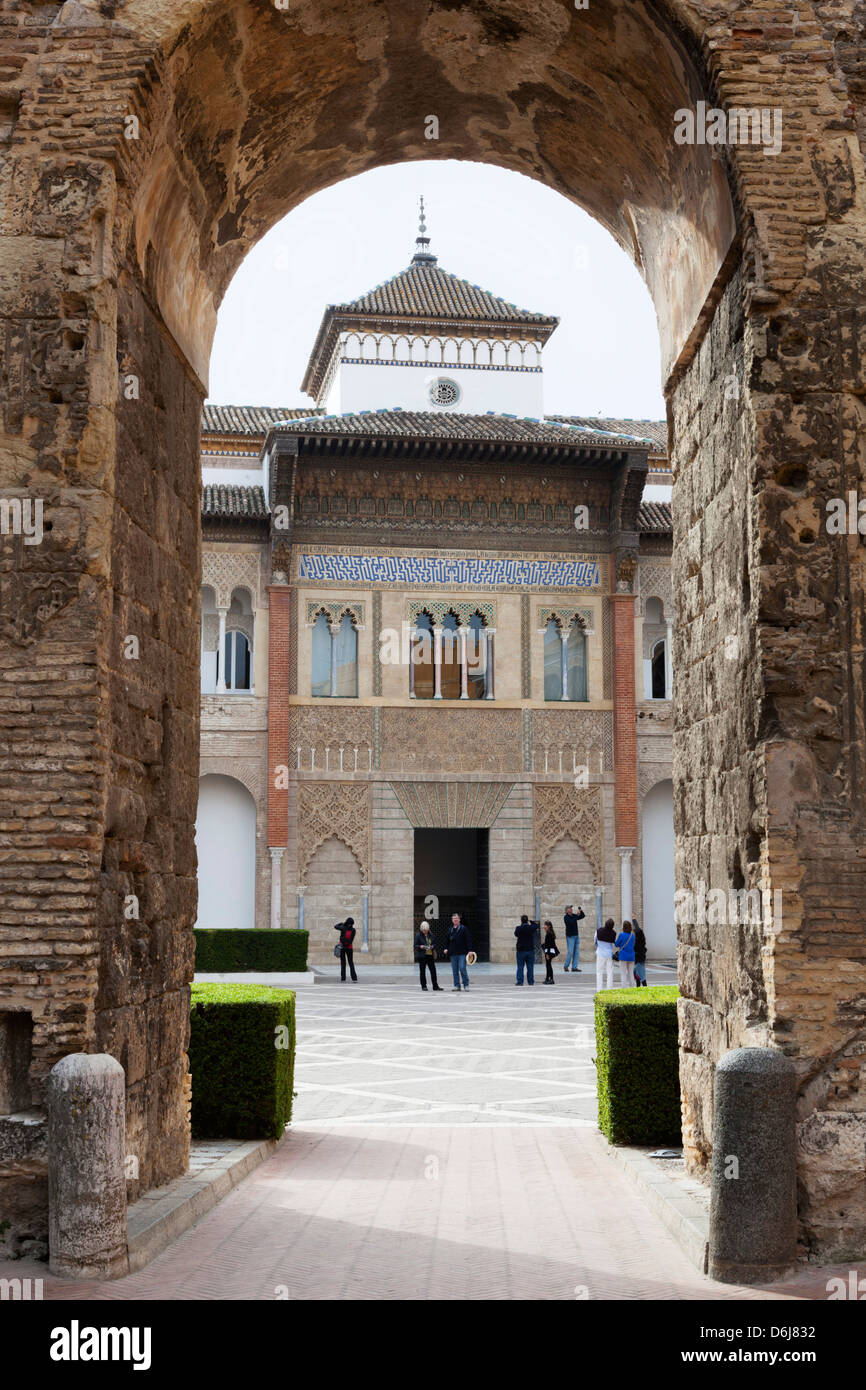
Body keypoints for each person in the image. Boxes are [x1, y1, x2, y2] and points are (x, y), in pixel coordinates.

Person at [444, 912, 472, 991]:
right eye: (454, 919)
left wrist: (470, 950)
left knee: (462, 968)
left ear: (459, 920)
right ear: (452, 920)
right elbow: (447, 940)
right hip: (453, 953)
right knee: (455, 970)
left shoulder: (464, 928)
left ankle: (466, 985)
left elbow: (468, 940)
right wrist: (446, 948)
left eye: (456, 919)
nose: (455, 920)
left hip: (462, 953)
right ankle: (457, 986)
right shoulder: (450, 929)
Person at [414, 921, 443, 992]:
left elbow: (435, 943)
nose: (425, 931)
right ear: (421, 929)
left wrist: (432, 946)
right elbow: (415, 945)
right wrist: (421, 946)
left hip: (430, 955)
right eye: (424, 930)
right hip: (422, 956)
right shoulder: (418, 935)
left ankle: (435, 986)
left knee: (433, 971)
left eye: (426, 930)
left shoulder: (431, 935)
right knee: (422, 971)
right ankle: (424, 986)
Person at [514, 914, 538, 986]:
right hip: (530, 950)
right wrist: (531, 921)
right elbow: (536, 926)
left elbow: (516, 934)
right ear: (527, 920)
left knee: (520, 967)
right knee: (530, 967)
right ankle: (530, 982)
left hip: (521, 951)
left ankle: (520, 981)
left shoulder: (518, 928)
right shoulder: (531, 928)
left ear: (521, 921)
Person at [595, 916, 617, 992]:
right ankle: (609, 989)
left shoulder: (598, 931)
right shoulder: (613, 933)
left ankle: (599, 989)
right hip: (609, 954)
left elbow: (595, 941)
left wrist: (599, 946)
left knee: (599, 972)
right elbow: (613, 942)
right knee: (610, 972)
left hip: (600, 953)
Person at [562, 904, 585, 973]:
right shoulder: (566, 917)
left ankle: (574, 967)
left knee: (576, 952)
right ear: (567, 910)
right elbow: (571, 922)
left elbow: (582, 916)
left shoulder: (574, 915)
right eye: (570, 908)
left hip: (576, 936)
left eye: (571, 908)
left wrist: (581, 911)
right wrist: (577, 916)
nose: (572, 909)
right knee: (570, 952)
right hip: (570, 936)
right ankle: (566, 966)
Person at [615, 919, 636, 987]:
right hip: (631, 956)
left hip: (623, 956)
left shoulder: (621, 935)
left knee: (623, 973)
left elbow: (616, 944)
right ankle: (632, 987)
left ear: (623, 927)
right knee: (631, 973)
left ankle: (624, 988)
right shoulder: (632, 935)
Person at [335, 917, 357, 982]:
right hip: (349, 948)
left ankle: (343, 979)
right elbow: (351, 940)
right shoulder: (353, 930)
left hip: (342, 947)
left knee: (343, 963)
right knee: (351, 963)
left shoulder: (343, 927)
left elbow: (335, 926)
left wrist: (341, 923)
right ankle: (354, 978)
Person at [632, 918, 648, 986]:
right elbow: (637, 927)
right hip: (642, 959)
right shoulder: (642, 940)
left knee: (640, 976)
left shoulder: (637, 943)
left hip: (638, 960)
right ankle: (639, 987)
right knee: (638, 975)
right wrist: (634, 919)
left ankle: (644, 987)